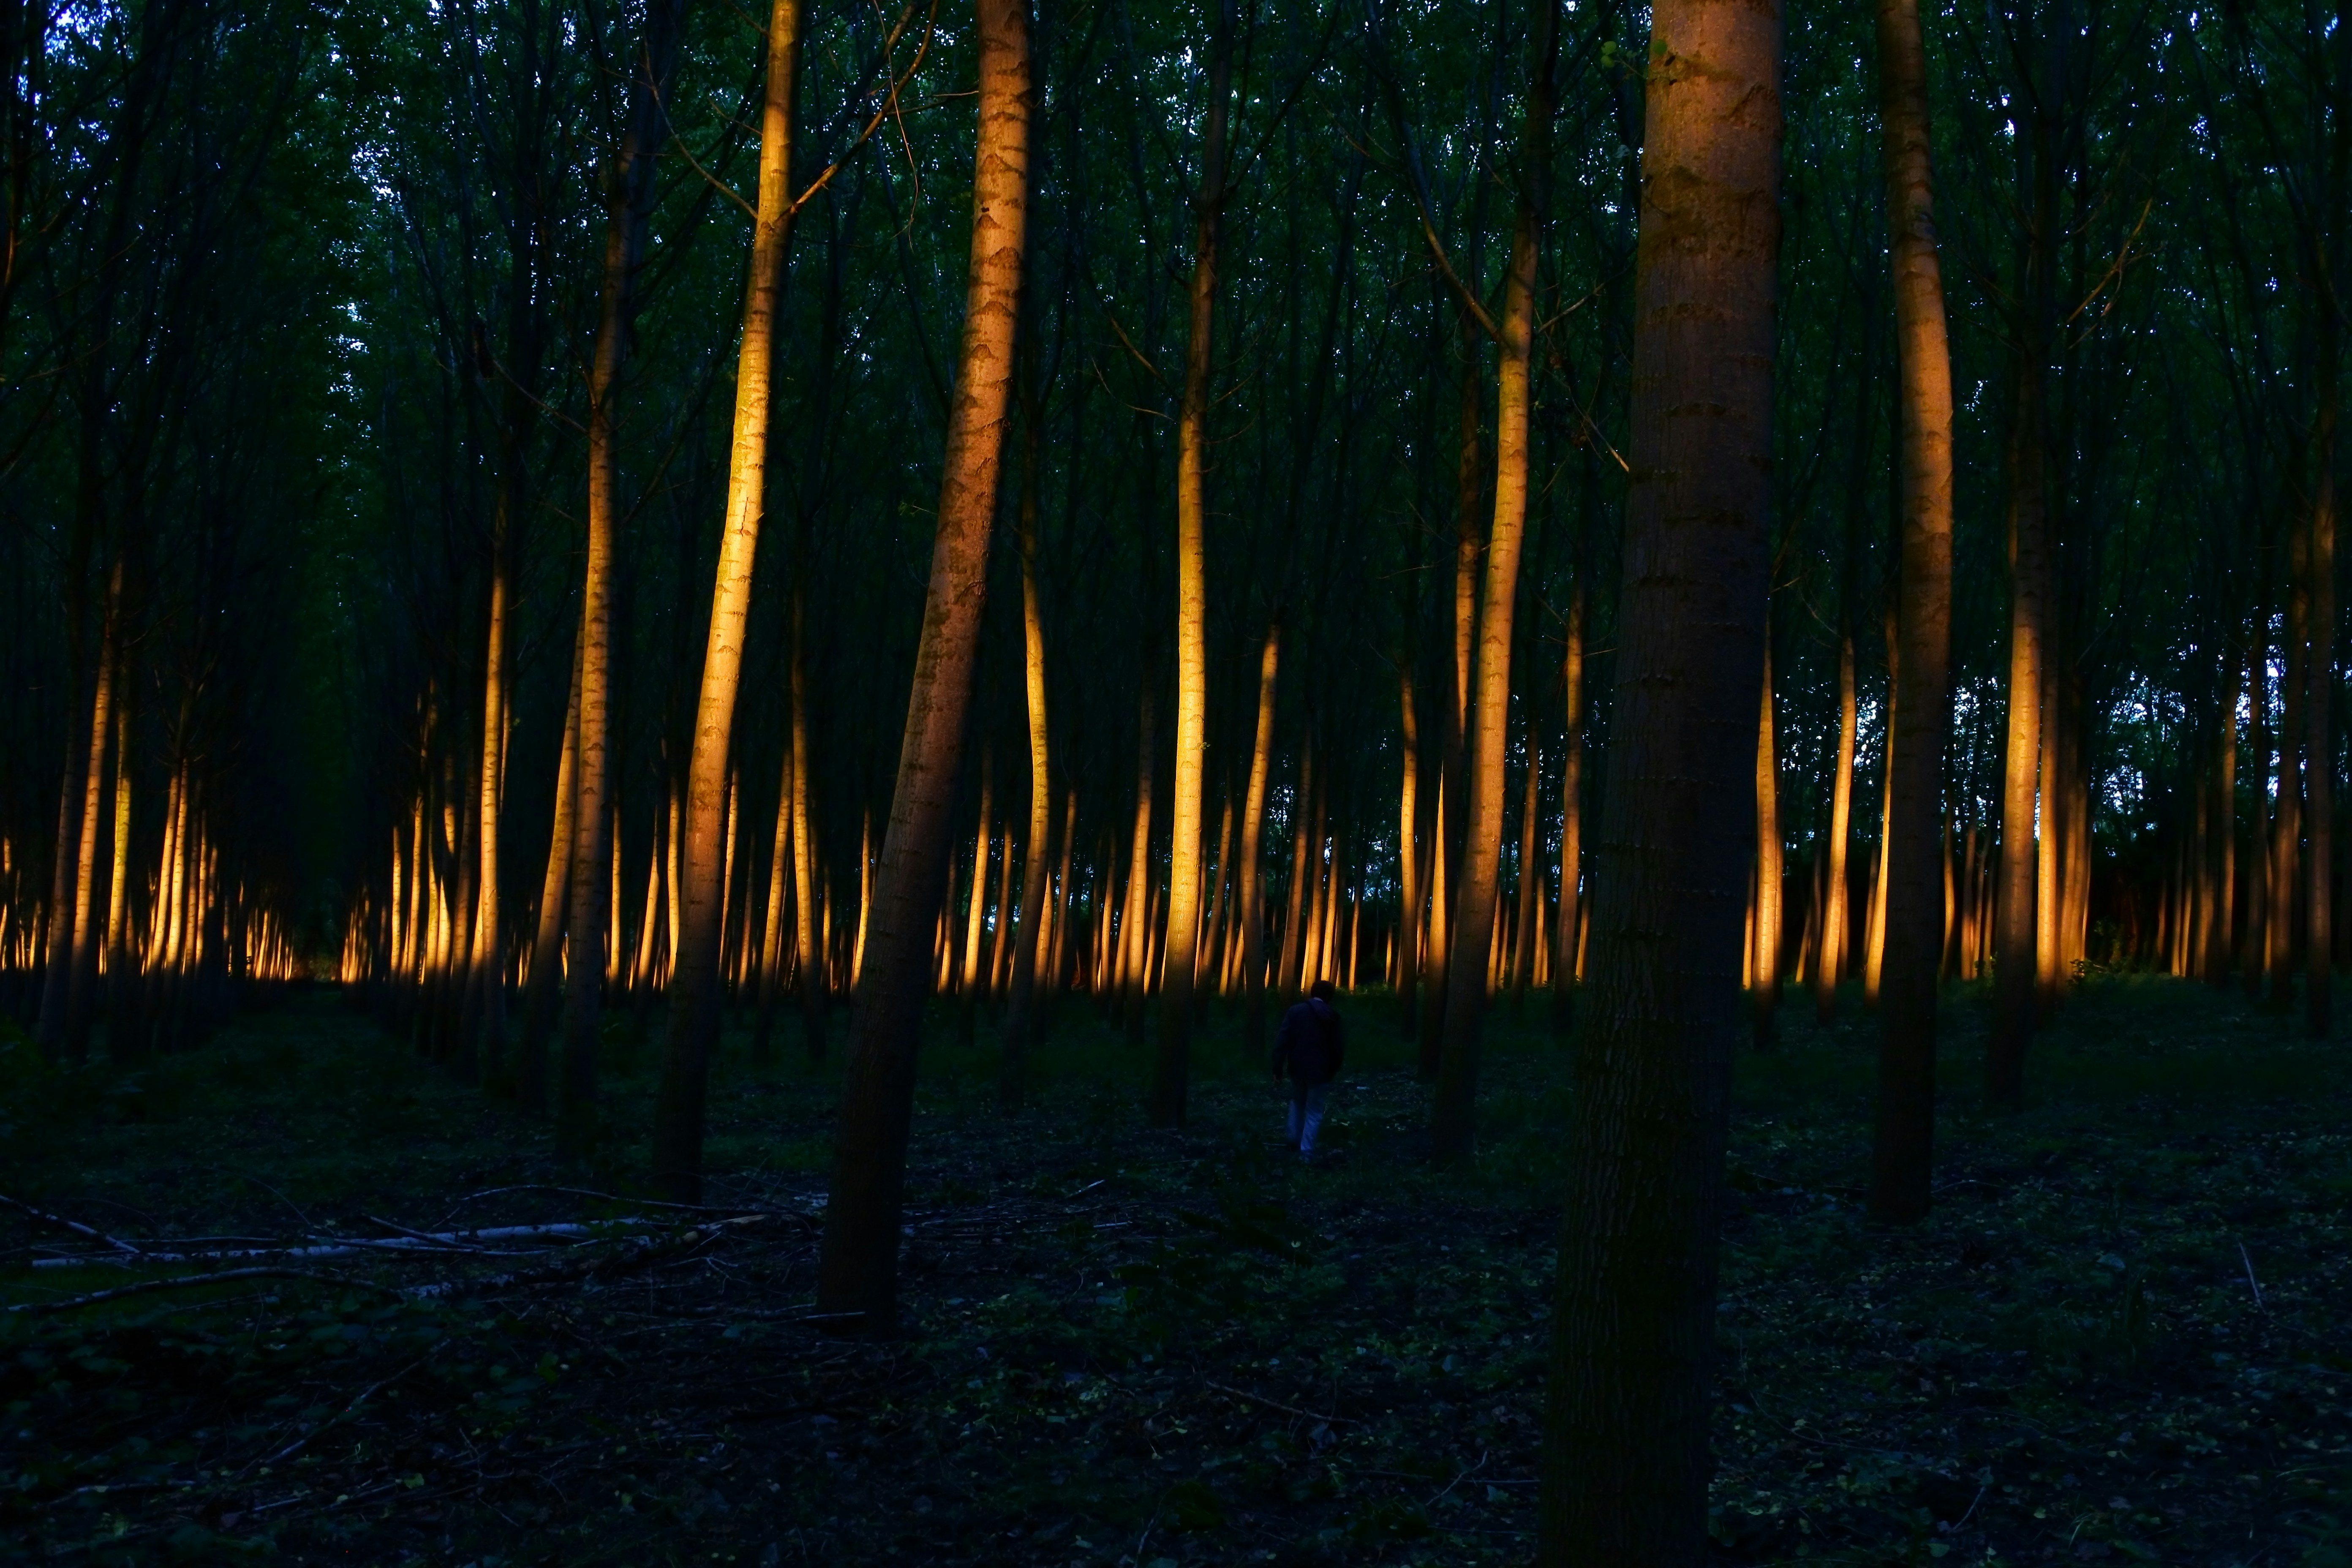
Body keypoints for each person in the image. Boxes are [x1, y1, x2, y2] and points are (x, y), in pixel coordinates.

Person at [1272, 979, 1344, 1158]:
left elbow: (1282, 1041)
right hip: (1320, 1072)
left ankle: (1293, 1140)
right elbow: (1338, 1049)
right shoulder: (1333, 1016)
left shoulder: (1296, 1012)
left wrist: (1278, 1068)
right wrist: (1332, 1071)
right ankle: (1307, 1152)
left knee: (1297, 1103)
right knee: (1314, 1110)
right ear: (1330, 997)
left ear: (1312, 993)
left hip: (1297, 1068)